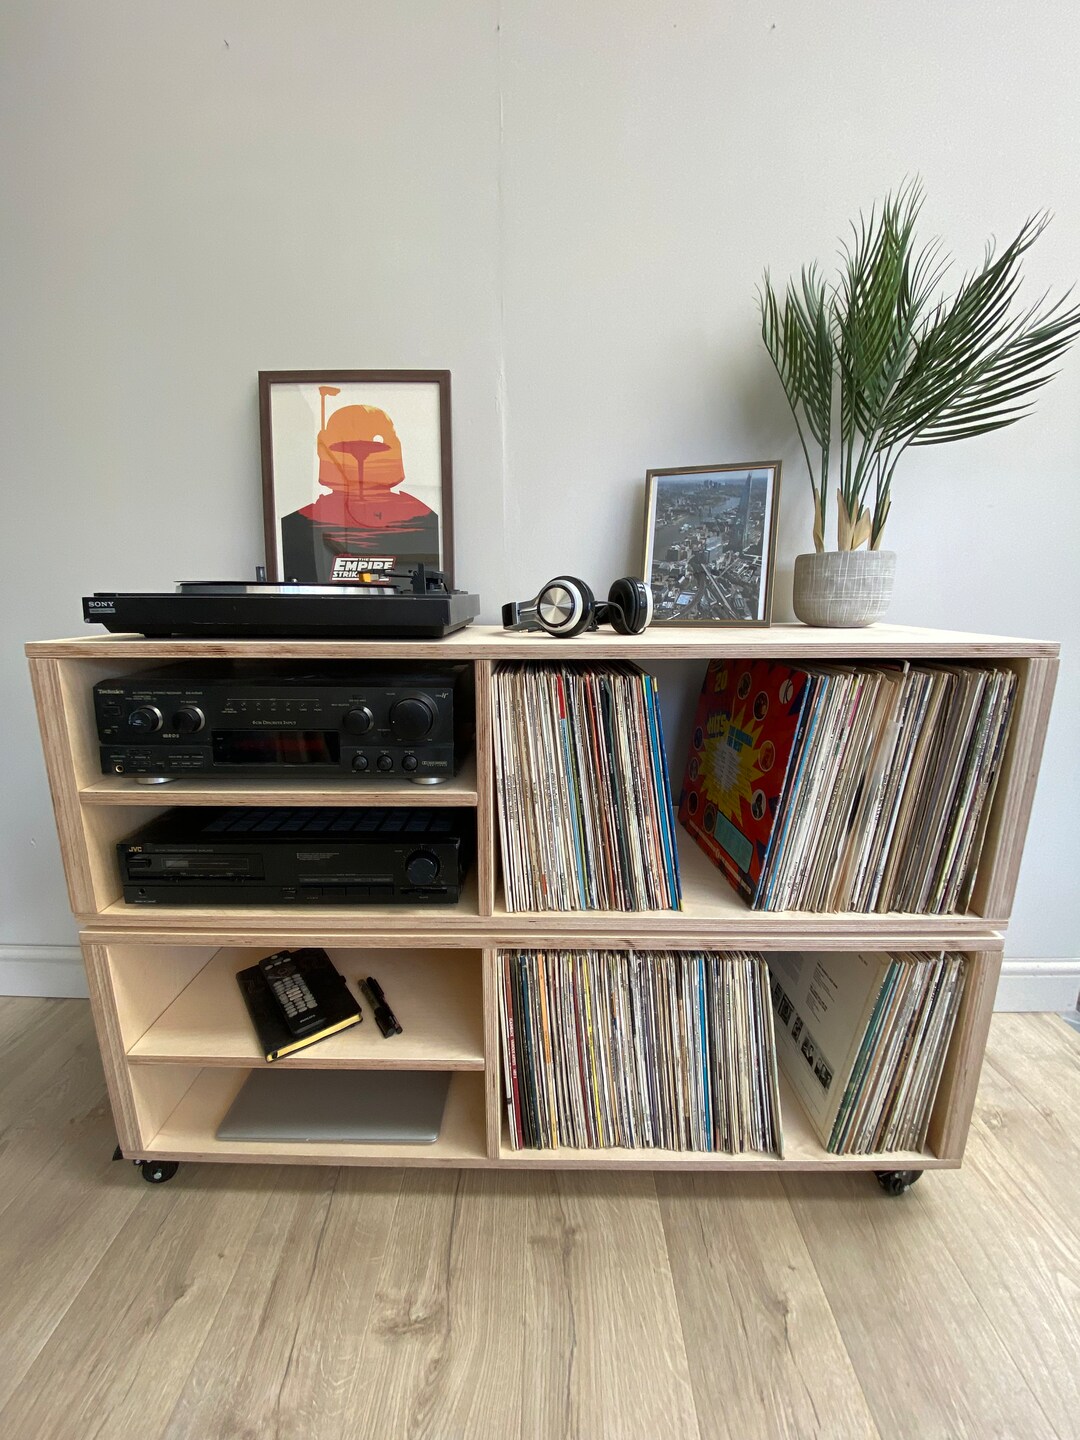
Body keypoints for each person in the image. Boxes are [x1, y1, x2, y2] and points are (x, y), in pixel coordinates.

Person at [281, 392, 439, 582]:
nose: (360, 453)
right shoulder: (297, 525)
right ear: (323, 448)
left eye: (376, 441)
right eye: (346, 442)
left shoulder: (425, 520)